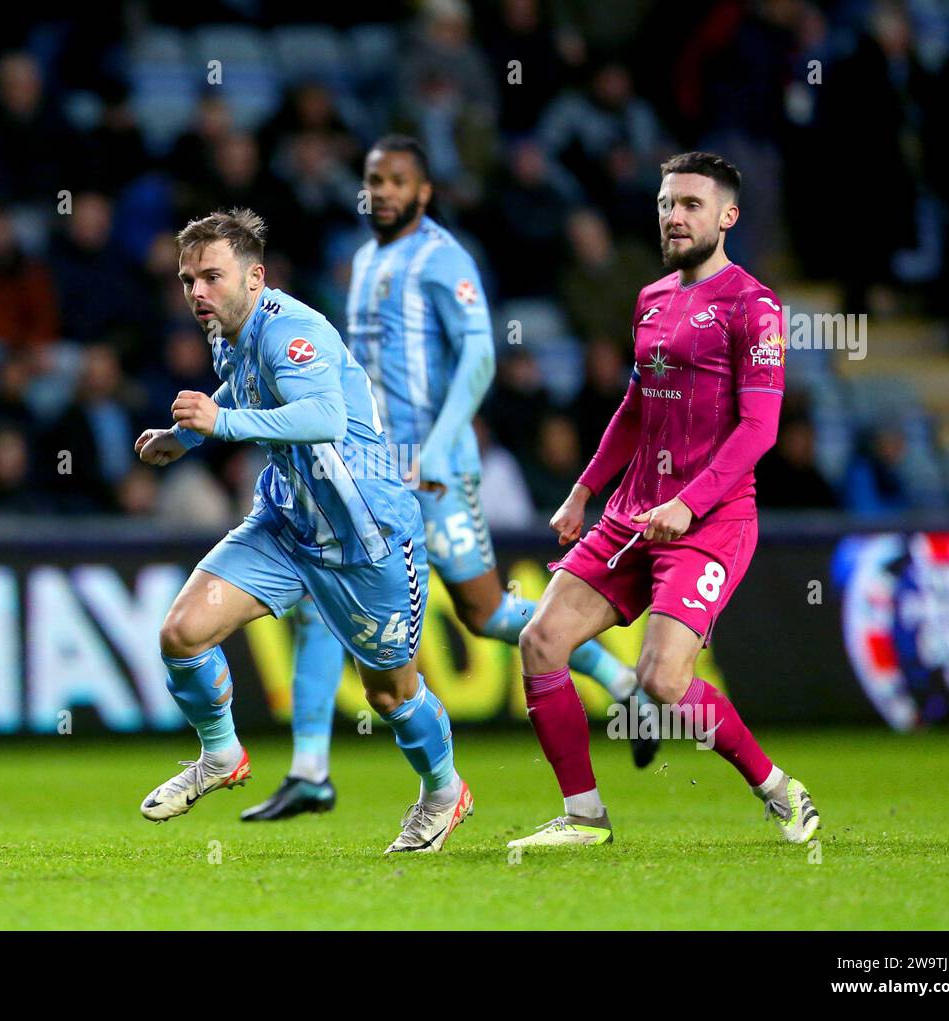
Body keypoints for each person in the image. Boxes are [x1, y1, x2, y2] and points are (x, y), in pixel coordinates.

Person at [242, 135, 652, 825]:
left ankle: (622, 682)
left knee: (486, 613)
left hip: (434, 467)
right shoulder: (366, 258)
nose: (383, 191)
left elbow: (481, 355)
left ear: (424, 191)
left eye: (398, 180)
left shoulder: (444, 256)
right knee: (319, 594)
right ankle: (310, 770)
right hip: (371, 467)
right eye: (374, 179)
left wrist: (437, 446)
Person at [134, 208, 473, 854]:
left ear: (254, 277)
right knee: (181, 634)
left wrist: (218, 426)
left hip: (367, 537)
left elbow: (322, 416)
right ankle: (221, 754)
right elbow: (240, 389)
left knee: (390, 693)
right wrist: (182, 438)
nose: (197, 292)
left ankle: (443, 790)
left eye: (211, 276)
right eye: (187, 280)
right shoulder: (227, 331)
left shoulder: (294, 331)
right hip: (287, 523)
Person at [510, 152, 820, 848]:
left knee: (661, 679)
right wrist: (583, 491)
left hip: (710, 520)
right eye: (666, 204)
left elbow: (760, 427)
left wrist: (691, 502)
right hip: (631, 510)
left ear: (727, 217)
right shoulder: (652, 298)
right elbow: (635, 405)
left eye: (690, 205)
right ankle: (585, 817)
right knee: (541, 640)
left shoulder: (755, 306)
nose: (675, 217)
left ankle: (779, 789)